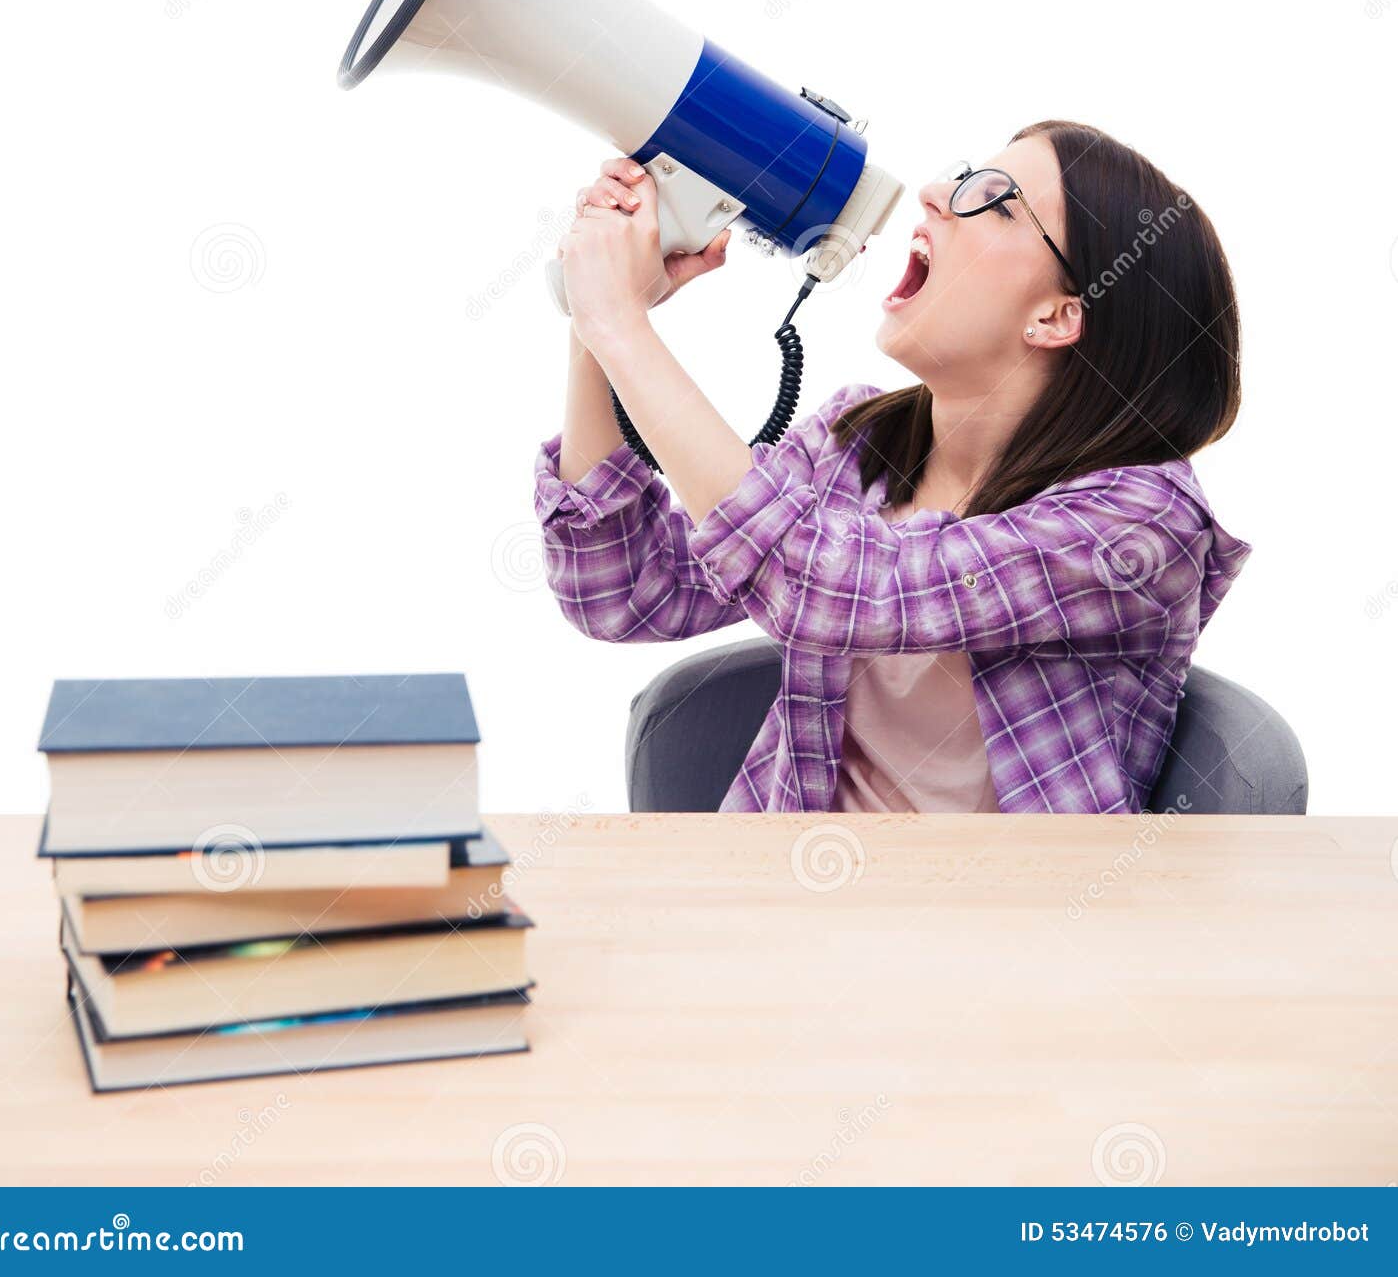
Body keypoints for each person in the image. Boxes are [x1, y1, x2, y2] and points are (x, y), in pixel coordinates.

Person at [533, 121, 1248, 813]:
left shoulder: (1138, 521)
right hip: (790, 908)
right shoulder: (855, 448)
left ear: (1060, 315)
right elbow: (625, 591)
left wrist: (620, 323)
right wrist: (590, 321)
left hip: (1011, 926)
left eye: (993, 199)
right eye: (961, 174)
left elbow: (824, 588)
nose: (935, 193)